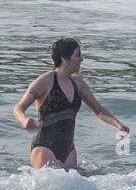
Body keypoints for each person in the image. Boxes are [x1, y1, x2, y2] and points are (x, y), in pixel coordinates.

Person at [14, 38, 129, 169]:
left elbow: (98, 110)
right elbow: (19, 107)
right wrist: (24, 120)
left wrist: (118, 125)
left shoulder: (78, 83)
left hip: (68, 150)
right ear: (64, 58)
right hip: (44, 147)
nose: (81, 59)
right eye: (78, 55)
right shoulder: (45, 81)